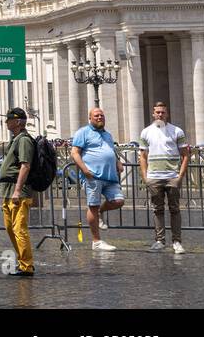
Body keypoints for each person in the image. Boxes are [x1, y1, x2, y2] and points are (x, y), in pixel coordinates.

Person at [71, 106, 125, 252]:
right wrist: (85, 170)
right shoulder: (83, 132)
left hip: (110, 177)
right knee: (92, 206)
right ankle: (96, 241)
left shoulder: (108, 135)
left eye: (102, 115)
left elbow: (111, 150)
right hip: (93, 176)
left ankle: (101, 212)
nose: (100, 117)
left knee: (118, 201)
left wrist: (117, 162)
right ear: (90, 118)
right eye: (96, 116)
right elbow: (75, 153)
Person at [138, 102, 189, 254]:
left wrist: (180, 176)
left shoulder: (177, 131)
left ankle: (177, 242)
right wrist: (145, 176)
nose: (160, 115)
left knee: (175, 209)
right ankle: (159, 241)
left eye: (163, 112)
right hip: (154, 177)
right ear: (153, 114)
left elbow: (185, 155)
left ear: (167, 114)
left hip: (172, 176)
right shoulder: (145, 132)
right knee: (157, 210)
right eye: (157, 112)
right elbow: (142, 156)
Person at [0, 107, 36, 276]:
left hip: (18, 192)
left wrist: (18, 191)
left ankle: (26, 265)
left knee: (19, 229)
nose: (6, 122)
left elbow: (25, 165)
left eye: (9, 119)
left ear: (18, 122)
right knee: (10, 228)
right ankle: (22, 261)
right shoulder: (15, 139)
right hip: (7, 191)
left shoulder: (24, 140)